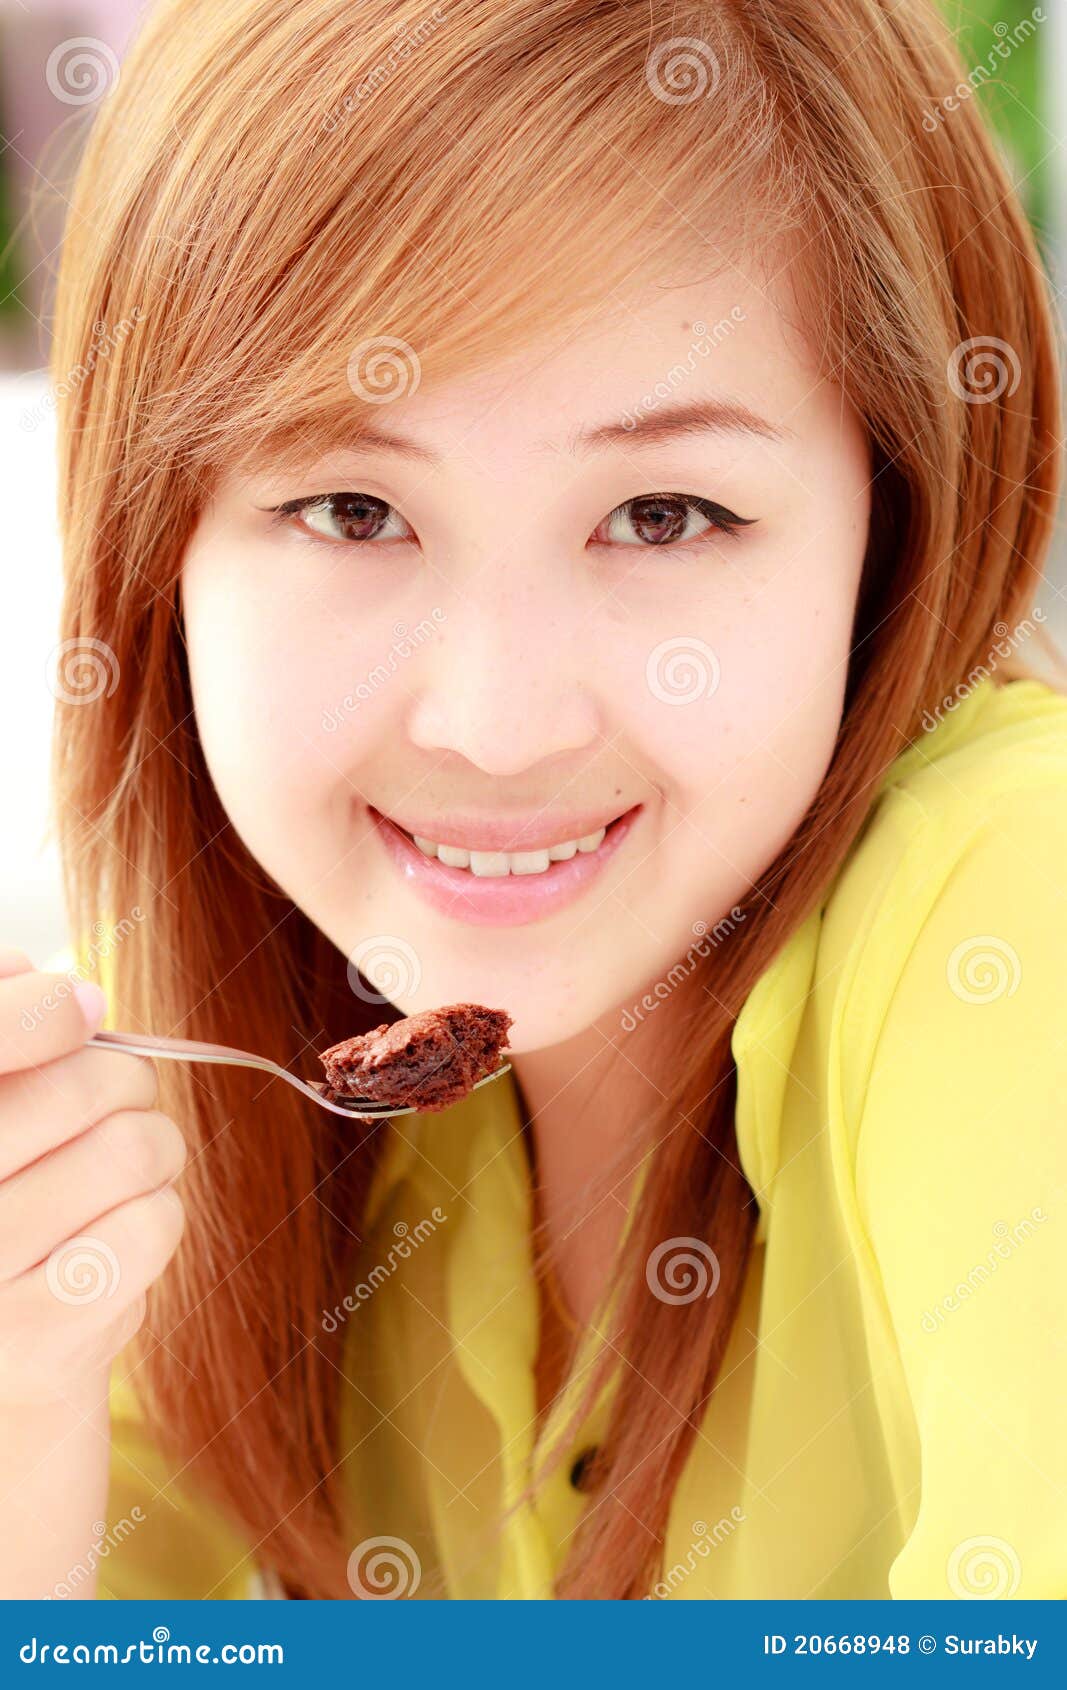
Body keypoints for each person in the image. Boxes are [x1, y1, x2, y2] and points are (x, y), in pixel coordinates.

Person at [1, 0, 1064, 1600]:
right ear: (162, 561)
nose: (497, 728)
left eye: (663, 514)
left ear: (892, 527)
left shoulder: (1020, 912)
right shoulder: (230, 1072)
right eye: (353, 509)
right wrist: (23, 1409)